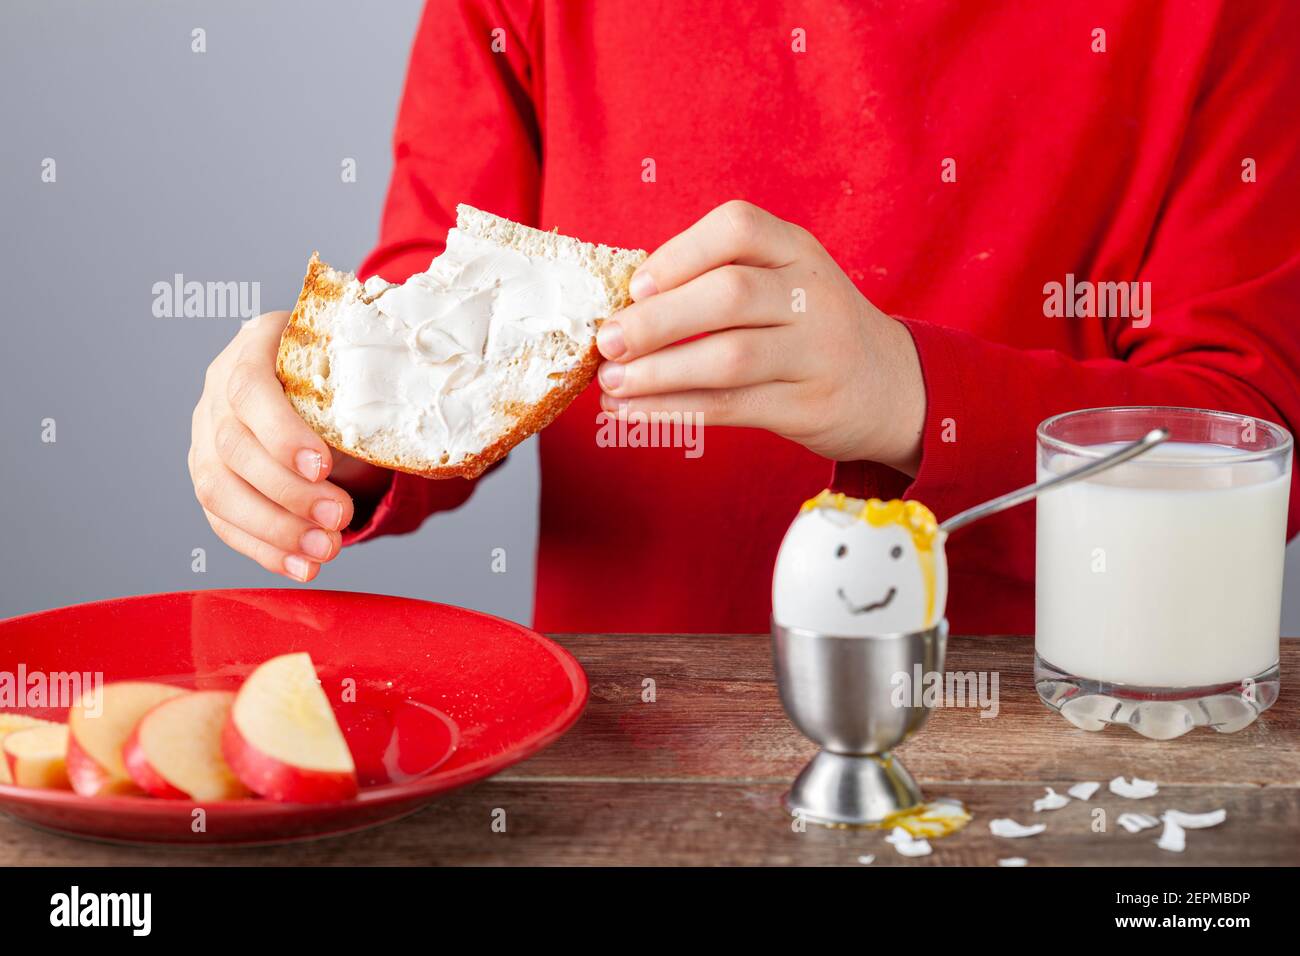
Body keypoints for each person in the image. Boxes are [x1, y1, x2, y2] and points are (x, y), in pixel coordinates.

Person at [189, 1, 1300, 634]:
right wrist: (319, 415)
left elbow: (1256, 441)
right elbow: (439, 316)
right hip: (623, 763)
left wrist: (908, 395)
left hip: (1048, 750)